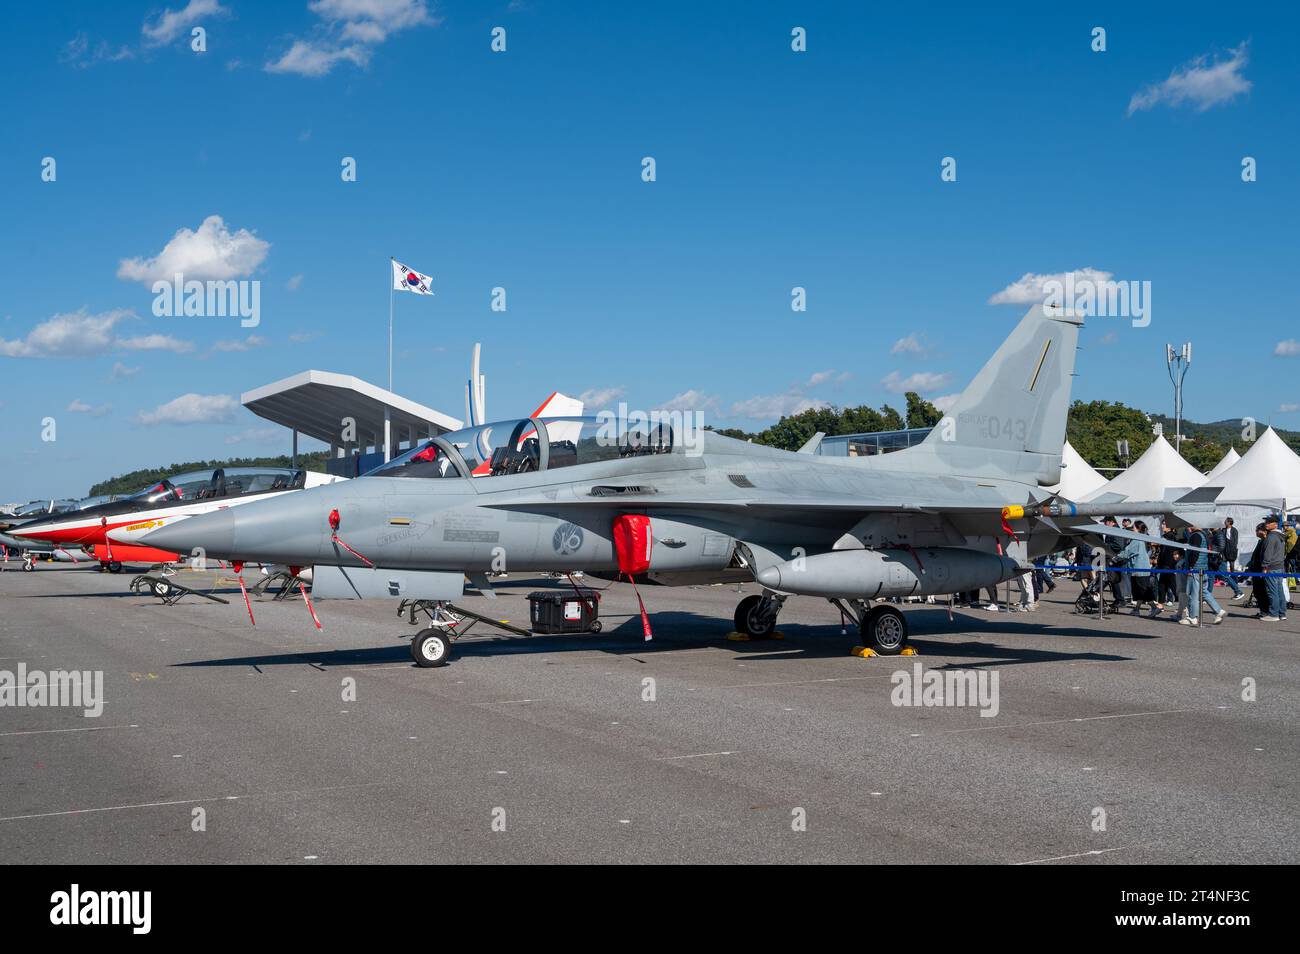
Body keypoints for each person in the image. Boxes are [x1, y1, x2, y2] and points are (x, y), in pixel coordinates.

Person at [1181, 523, 1224, 626]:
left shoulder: (1195, 536)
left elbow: (1194, 553)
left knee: (1193, 594)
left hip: (1195, 569)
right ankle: (1218, 611)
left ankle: (1193, 617)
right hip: (1203, 567)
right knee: (1204, 592)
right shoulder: (1204, 535)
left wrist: (1190, 567)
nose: (1188, 527)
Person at [1259, 514, 1288, 622]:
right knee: (1279, 591)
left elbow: (1267, 554)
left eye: (1268, 522)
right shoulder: (1281, 536)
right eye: (1266, 521)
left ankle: (1273, 614)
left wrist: (1264, 567)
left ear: (1275, 524)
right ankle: (1282, 613)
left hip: (1271, 567)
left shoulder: (1271, 537)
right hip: (1279, 566)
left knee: (1272, 591)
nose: (1266, 524)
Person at [1215, 518, 1244, 599]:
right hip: (1224, 551)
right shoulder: (1223, 530)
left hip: (1231, 551)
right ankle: (1234, 586)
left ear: (1230, 522)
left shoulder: (1234, 530)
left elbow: (1235, 541)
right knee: (1224, 571)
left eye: (1226, 521)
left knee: (1232, 568)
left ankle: (1235, 582)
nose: (1225, 522)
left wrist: (1232, 549)